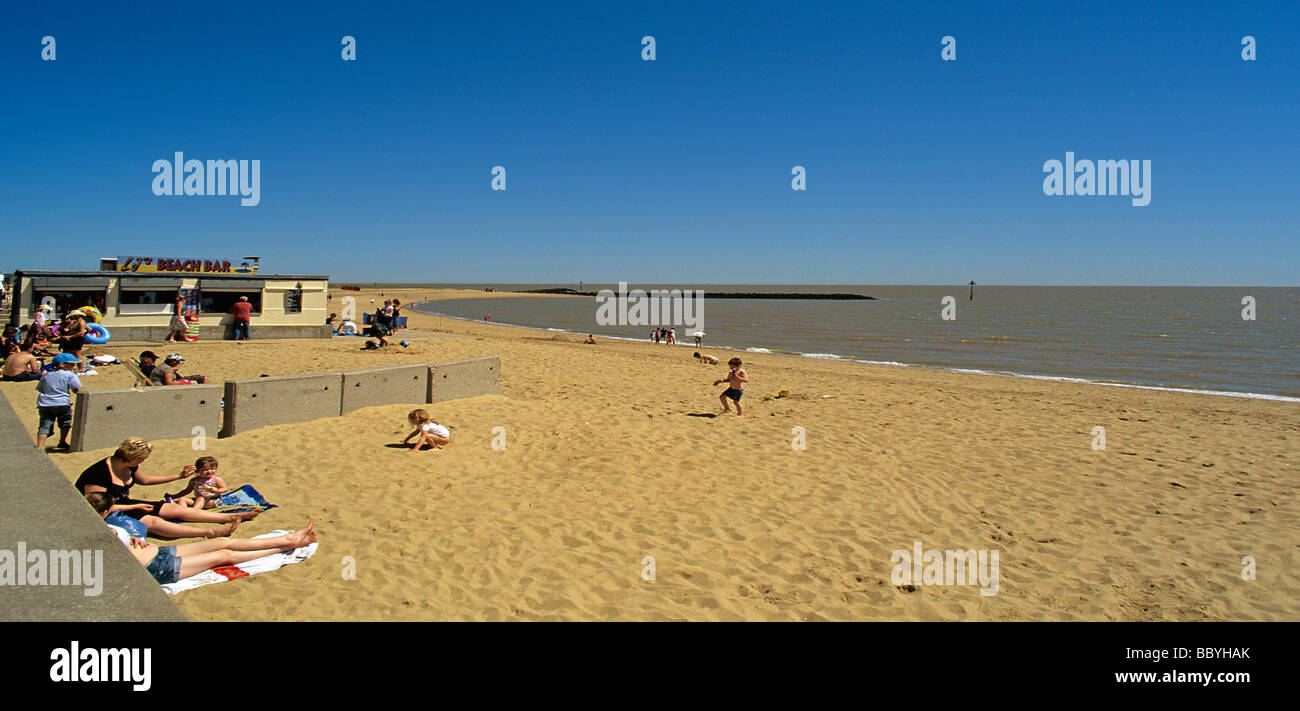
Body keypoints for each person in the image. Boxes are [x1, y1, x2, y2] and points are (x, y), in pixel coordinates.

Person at [90, 493, 317, 585]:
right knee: (223, 556)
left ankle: (288, 538)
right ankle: (284, 546)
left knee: (222, 543)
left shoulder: (108, 524)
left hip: (159, 552)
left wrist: (133, 537)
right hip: (157, 569)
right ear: (101, 513)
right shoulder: (100, 535)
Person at [75, 437, 262, 536]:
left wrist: (178, 476)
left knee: (173, 509)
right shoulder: (98, 474)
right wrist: (135, 507)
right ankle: (209, 532)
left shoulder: (129, 465)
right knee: (154, 522)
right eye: (141, 459)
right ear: (131, 457)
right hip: (107, 512)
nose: (141, 463)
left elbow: (145, 480)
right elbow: (96, 507)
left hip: (124, 503)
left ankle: (232, 516)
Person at [35, 353, 82, 449]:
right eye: (72, 364)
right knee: (65, 423)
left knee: (44, 425)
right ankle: (62, 441)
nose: (74, 366)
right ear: (62, 364)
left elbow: (40, 388)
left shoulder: (47, 375)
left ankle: (40, 446)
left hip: (45, 403)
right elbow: (76, 389)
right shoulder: (70, 375)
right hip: (62, 403)